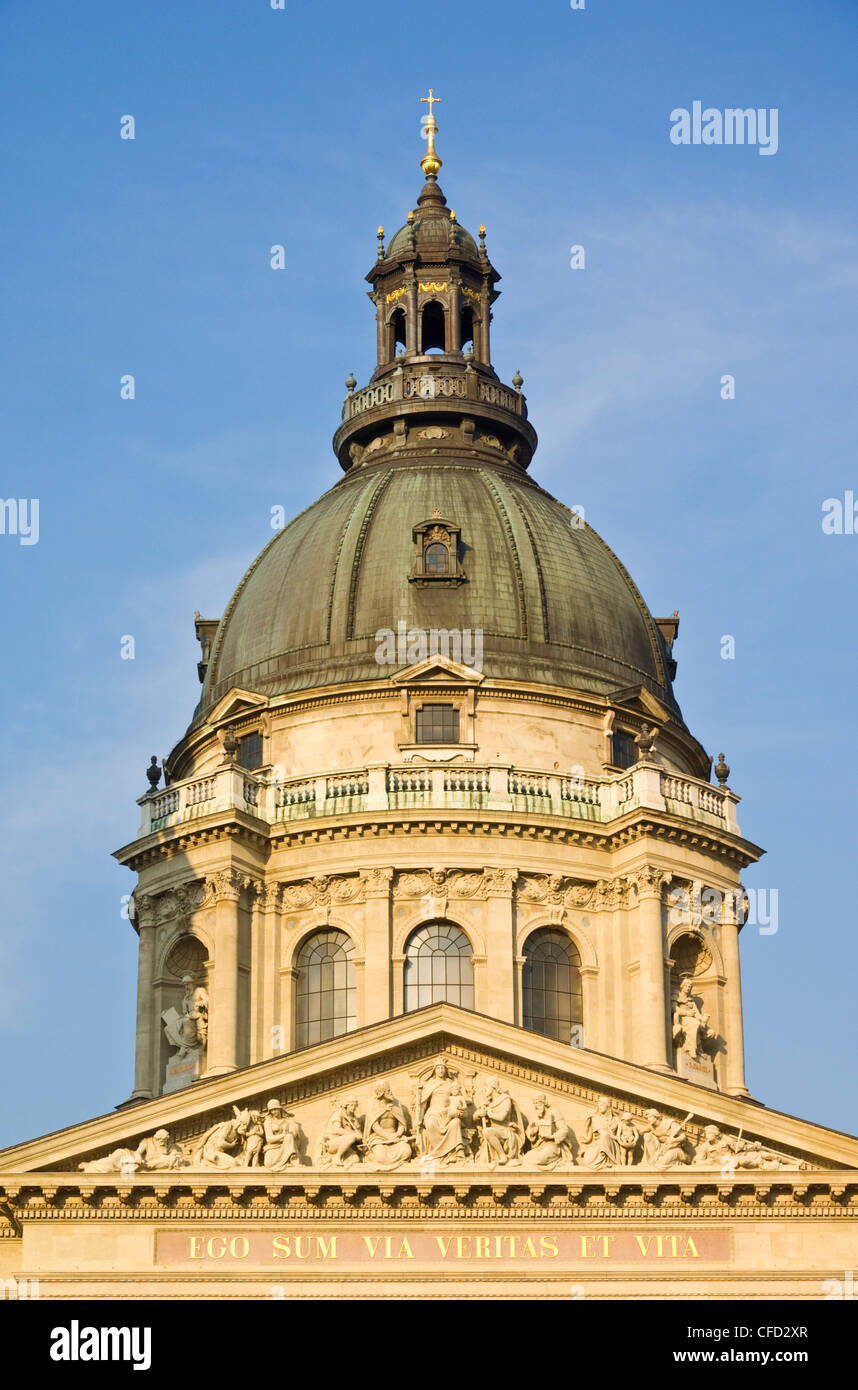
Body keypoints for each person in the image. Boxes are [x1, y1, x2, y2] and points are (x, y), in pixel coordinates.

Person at [416, 1062, 469, 1164]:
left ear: (446, 1071)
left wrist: (458, 1111)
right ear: (434, 1071)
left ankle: (454, 1153)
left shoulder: (451, 1084)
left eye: (442, 1068)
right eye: (438, 1068)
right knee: (431, 1124)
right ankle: (439, 1153)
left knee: (455, 1122)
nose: (440, 1070)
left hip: (447, 1111)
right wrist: (418, 1119)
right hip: (433, 1112)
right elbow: (422, 1104)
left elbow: (458, 1099)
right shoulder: (430, 1084)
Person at [363, 1082, 413, 1168]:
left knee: (407, 1151)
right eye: (387, 1090)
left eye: (390, 1090)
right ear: (381, 1092)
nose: (390, 1092)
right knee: (381, 1157)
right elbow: (374, 1125)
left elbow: (401, 1124)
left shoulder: (396, 1103)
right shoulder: (373, 1103)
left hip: (395, 1138)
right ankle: (370, 1156)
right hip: (378, 1138)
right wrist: (388, 1136)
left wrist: (397, 1134)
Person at [475, 1079, 523, 1167]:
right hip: (494, 1134)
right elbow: (474, 1117)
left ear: (493, 1087)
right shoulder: (488, 1102)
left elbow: (501, 1117)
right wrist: (479, 1114)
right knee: (480, 1163)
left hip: (505, 1132)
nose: (485, 1089)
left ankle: (502, 1155)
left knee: (487, 1131)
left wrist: (489, 1113)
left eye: (487, 1087)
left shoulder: (505, 1099)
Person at [525, 1094, 572, 1170]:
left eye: (538, 1103)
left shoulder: (554, 1112)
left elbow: (564, 1130)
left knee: (541, 1158)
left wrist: (552, 1137)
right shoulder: (534, 1115)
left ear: (544, 1103)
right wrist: (532, 1130)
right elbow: (530, 1136)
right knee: (526, 1158)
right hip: (539, 1146)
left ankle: (556, 1159)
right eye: (534, 1104)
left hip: (553, 1144)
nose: (536, 1106)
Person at [319, 1097, 363, 1168]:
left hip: (346, 1146)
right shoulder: (338, 1114)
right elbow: (337, 1129)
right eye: (351, 1105)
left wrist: (359, 1137)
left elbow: (358, 1133)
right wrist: (353, 1135)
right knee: (351, 1137)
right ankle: (337, 1157)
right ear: (346, 1105)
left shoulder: (354, 1119)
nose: (353, 1107)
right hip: (332, 1142)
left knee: (356, 1159)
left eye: (355, 1105)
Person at [579, 1098, 619, 1168]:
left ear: (607, 1106)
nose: (599, 1107)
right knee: (604, 1134)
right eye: (599, 1105)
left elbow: (621, 1131)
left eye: (601, 1105)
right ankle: (604, 1155)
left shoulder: (616, 1119)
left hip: (612, 1144)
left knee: (605, 1135)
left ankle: (609, 1158)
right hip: (599, 1143)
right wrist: (616, 1137)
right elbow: (601, 1131)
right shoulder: (595, 1118)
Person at [262, 1098, 300, 1169]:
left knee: (289, 1136)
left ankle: (292, 1159)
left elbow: (295, 1134)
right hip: (273, 1148)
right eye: (271, 1110)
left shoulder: (287, 1121)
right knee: (268, 1163)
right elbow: (269, 1139)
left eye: (275, 1109)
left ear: (280, 1109)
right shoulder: (268, 1122)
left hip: (287, 1146)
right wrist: (283, 1136)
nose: (273, 1112)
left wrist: (292, 1124)